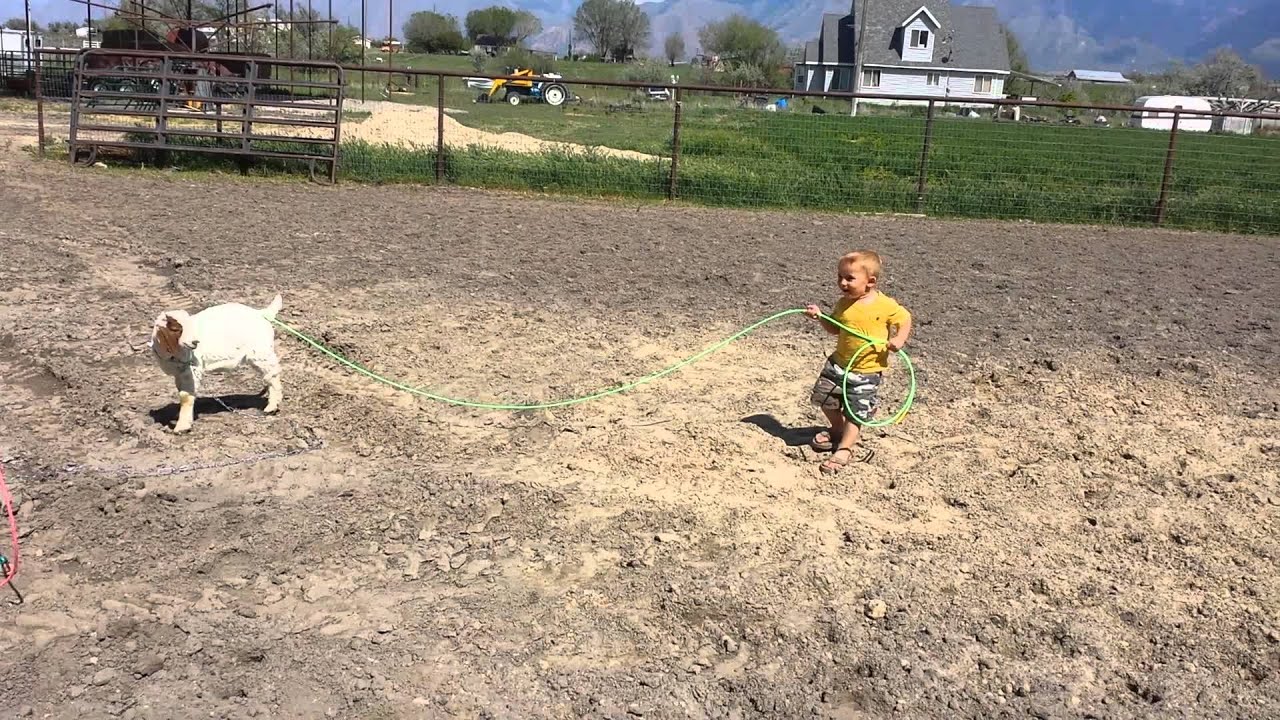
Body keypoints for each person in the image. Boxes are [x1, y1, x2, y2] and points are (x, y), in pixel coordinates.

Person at [804, 250, 913, 475]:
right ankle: (837, 429)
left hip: (867, 371)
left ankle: (844, 448)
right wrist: (821, 318)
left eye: (849, 278)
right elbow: (835, 329)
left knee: (855, 412)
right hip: (838, 364)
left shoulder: (884, 305)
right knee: (824, 399)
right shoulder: (843, 303)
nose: (842, 283)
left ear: (870, 282)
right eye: (839, 277)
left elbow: (904, 319)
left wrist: (899, 338)